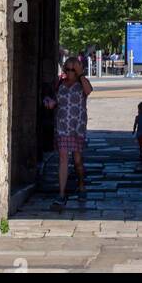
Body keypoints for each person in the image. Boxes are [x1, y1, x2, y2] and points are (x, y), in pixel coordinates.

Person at [44, 55, 93, 210]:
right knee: (63, 159)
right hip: (62, 126)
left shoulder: (82, 83)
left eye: (74, 69)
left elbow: (89, 90)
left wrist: (81, 75)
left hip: (77, 127)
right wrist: (50, 103)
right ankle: (61, 193)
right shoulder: (59, 84)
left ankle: (81, 183)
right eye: (68, 69)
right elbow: (53, 99)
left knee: (77, 161)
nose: (70, 72)